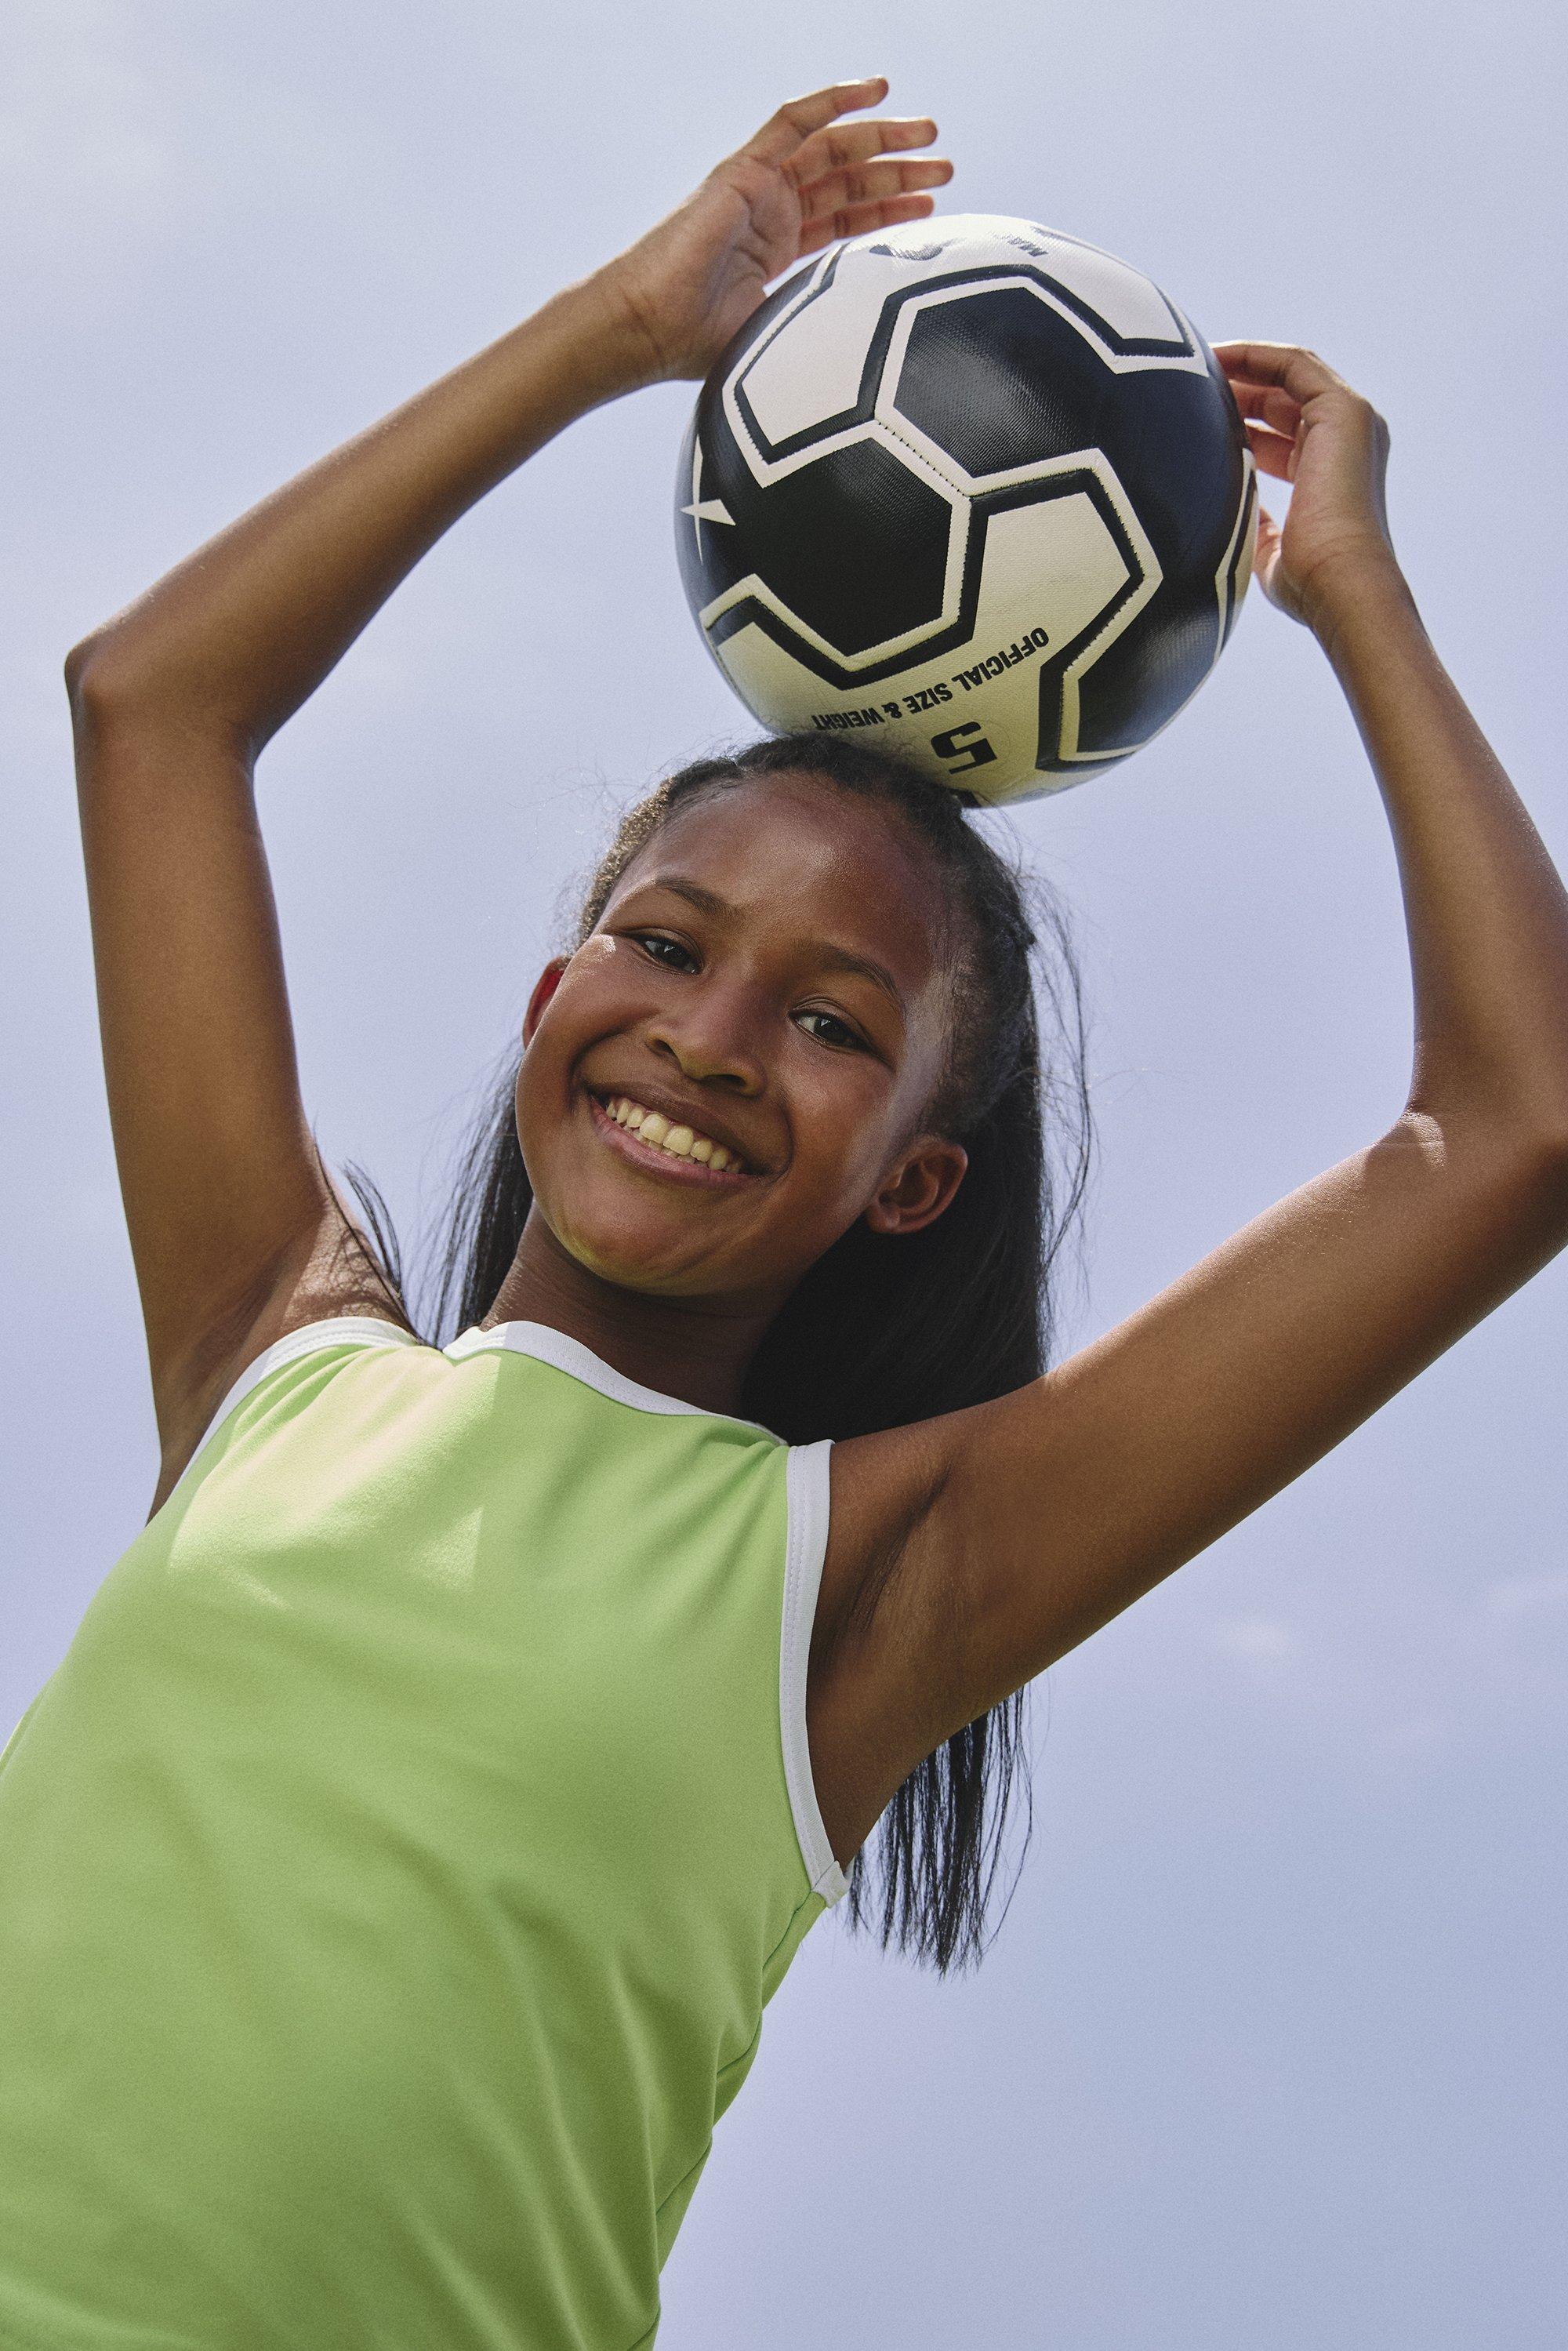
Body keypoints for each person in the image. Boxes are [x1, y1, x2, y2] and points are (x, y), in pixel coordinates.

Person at [3, 72, 1566, 2351]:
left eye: (836, 1023)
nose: (713, 1036)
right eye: (663, 943)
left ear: (915, 1181)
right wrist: (626, 325)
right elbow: (149, 704)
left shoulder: (867, 1576)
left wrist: (1355, 595)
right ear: (555, 990)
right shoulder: (279, 1350)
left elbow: (1514, 1130)